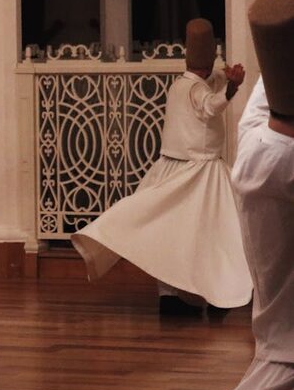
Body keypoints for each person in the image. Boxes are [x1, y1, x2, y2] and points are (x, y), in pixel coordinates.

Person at [0, 0, 294, 390]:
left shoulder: (227, 103)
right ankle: (180, 292)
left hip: (198, 174)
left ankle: (190, 292)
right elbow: (209, 107)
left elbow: (221, 94)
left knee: (196, 238)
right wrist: (233, 87)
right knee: (172, 235)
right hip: (188, 173)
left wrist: (232, 81)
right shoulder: (201, 97)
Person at [71, 18, 252, 316]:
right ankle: (196, 293)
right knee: (206, 232)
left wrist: (226, 79)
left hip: (177, 168)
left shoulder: (186, 83)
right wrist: (232, 87)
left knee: (176, 231)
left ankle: (176, 295)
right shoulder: (193, 89)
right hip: (196, 172)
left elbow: (214, 83)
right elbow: (211, 106)